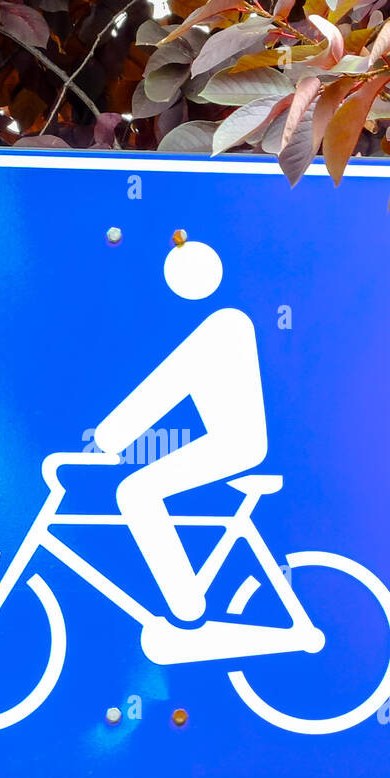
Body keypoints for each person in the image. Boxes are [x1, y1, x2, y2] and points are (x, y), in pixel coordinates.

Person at [93, 237, 267, 623]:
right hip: (224, 441)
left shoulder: (223, 326)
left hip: (234, 444)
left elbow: (168, 385)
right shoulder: (220, 323)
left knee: (135, 491)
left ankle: (188, 610)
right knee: (138, 489)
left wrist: (109, 437)